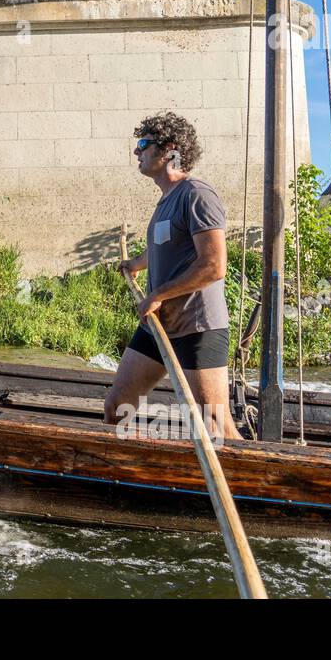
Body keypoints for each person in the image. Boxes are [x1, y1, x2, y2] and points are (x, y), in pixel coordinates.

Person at [105, 111, 241, 441]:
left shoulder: (197, 194)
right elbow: (163, 248)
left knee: (215, 426)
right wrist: (136, 264)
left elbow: (213, 266)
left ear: (169, 150)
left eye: (142, 144)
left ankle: (260, 488)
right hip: (160, 326)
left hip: (198, 328)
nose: (136, 152)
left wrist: (158, 294)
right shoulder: (166, 201)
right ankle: (141, 481)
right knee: (118, 407)